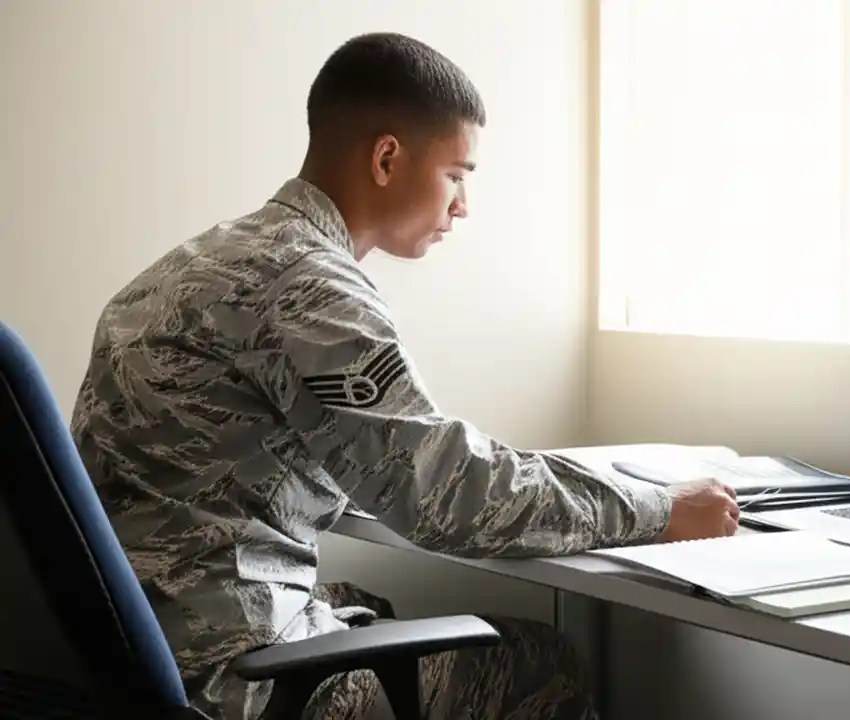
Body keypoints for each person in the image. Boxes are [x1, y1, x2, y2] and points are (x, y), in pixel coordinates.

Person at [70, 32, 739, 720]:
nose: (462, 205)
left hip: (120, 657)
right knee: (541, 663)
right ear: (387, 157)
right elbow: (449, 493)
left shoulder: (189, 267)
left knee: (373, 609)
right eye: (457, 174)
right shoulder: (309, 286)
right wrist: (659, 509)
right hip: (228, 682)